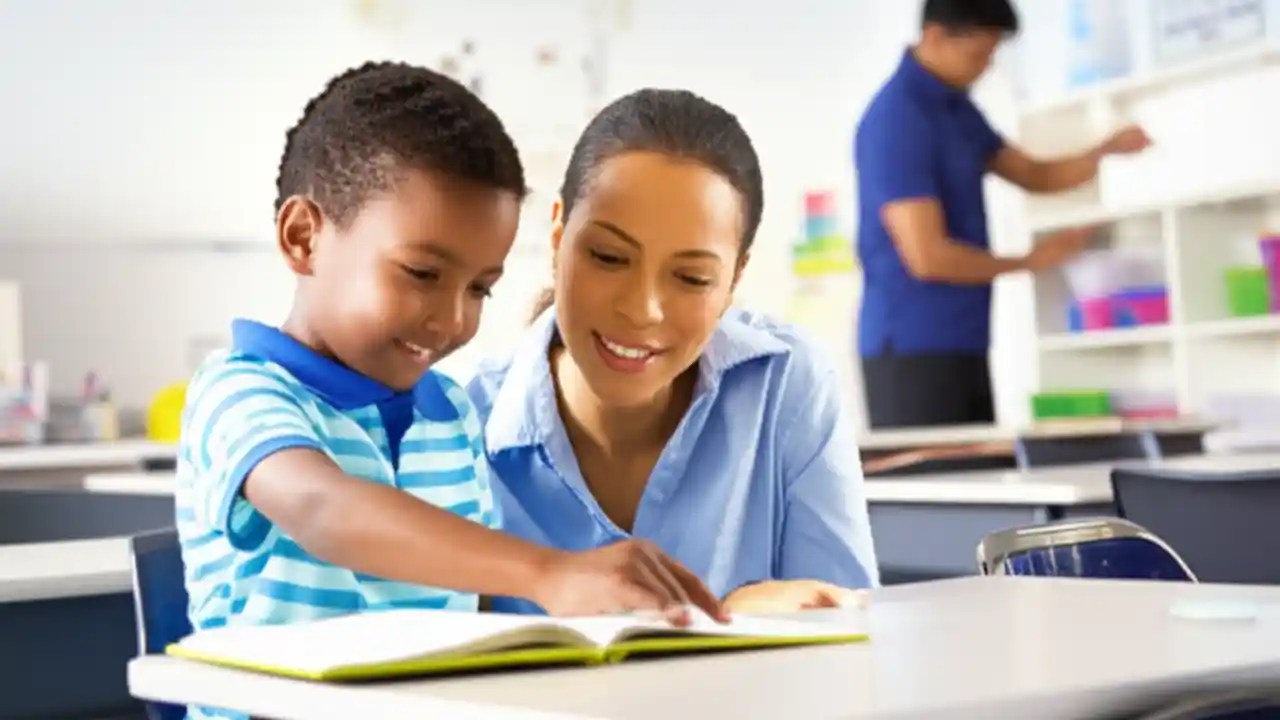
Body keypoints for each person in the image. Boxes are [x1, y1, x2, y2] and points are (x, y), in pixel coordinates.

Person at [174, 62, 728, 676]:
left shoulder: (452, 413)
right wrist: (548, 572)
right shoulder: (239, 389)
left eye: (479, 290)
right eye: (422, 274)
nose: (451, 320)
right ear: (304, 237)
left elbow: (473, 608)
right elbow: (321, 509)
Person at [468, 88, 879, 617]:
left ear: (734, 279)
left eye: (691, 277)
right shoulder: (463, 426)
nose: (643, 310)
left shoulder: (786, 387)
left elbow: (842, 622)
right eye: (609, 257)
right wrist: (729, 619)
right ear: (557, 234)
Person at [855, 0, 1152, 428]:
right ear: (936, 36)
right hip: (912, 348)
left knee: (979, 476)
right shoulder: (896, 119)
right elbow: (928, 257)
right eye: (978, 55)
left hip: (964, 337)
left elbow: (1032, 173)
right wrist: (1031, 261)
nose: (985, 68)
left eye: (992, 56)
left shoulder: (956, 110)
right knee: (938, 488)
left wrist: (1104, 150)